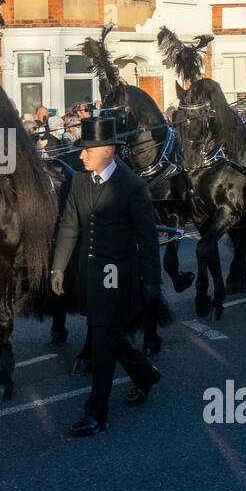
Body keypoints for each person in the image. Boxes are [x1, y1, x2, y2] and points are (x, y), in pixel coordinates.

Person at [50, 117, 163, 437]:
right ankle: (145, 375)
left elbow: (148, 238)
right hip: (90, 273)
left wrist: (152, 281)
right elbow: (70, 226)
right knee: (109, 336)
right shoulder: (78, 183)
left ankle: (96, 412)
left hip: (118, 274)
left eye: (88, 150)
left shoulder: (132, 187)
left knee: (101, 339)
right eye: (82, 150)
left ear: (109, 151)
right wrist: (58, 267)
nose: (82, 155)